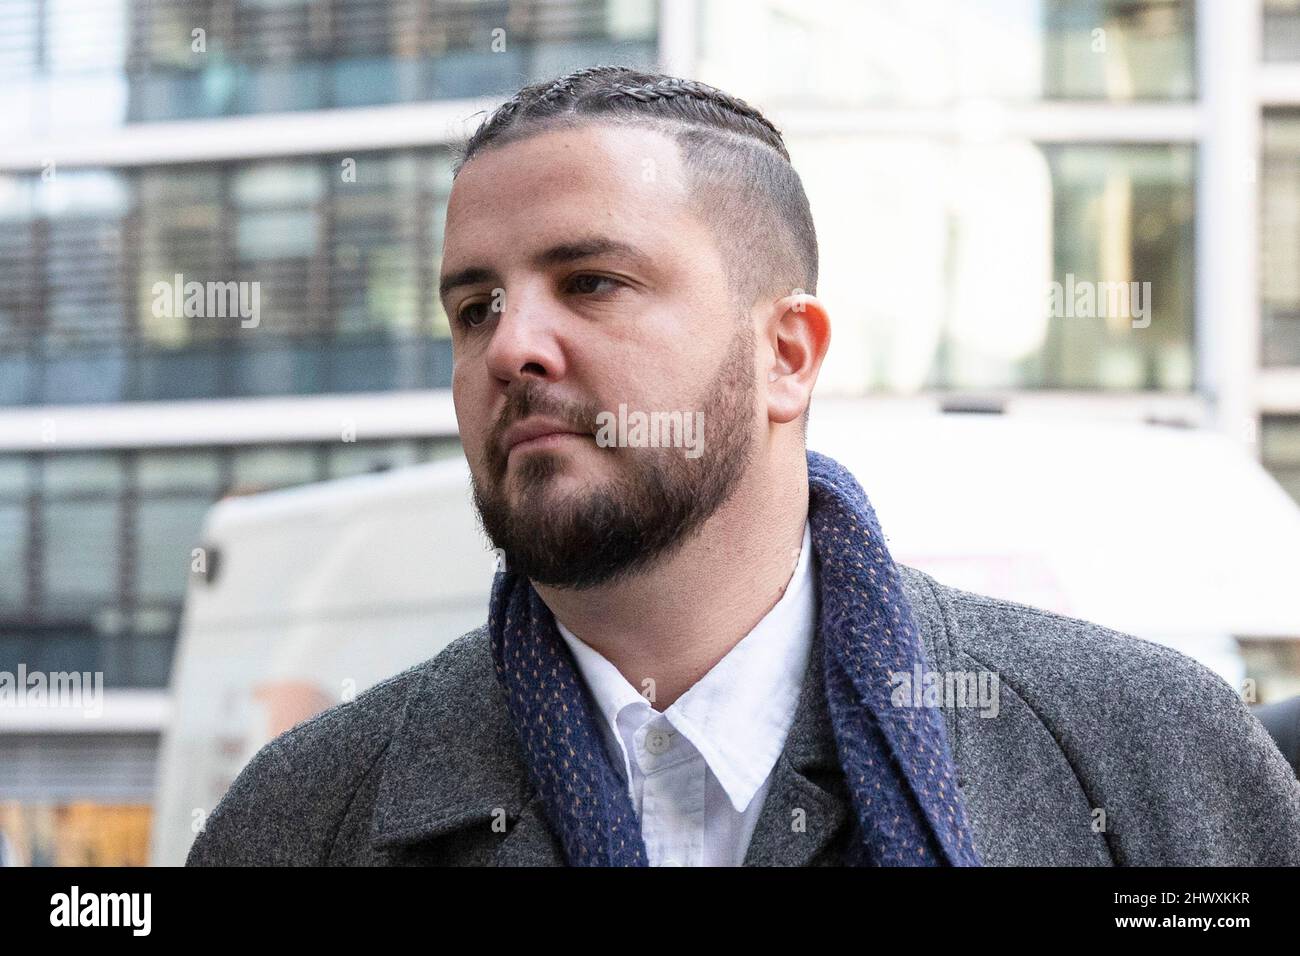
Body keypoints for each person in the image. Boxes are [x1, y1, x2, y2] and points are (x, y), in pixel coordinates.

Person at [187, 66, 1300, 866]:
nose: (511, 345)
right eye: (473, 305)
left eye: (591, 281)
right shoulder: (300, 818)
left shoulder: (1149, 757)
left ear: (785, 354)